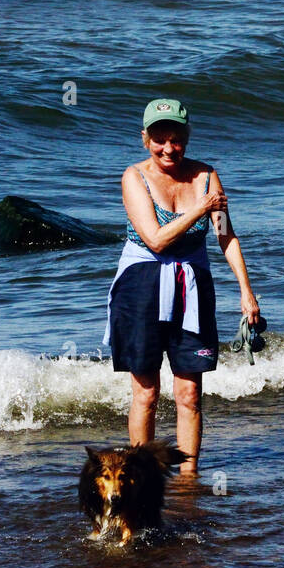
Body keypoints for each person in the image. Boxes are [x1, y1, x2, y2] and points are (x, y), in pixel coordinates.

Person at [104, 98, 261, 475]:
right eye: (159, 139)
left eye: (176, 139)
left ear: (187, 138)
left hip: (193, 285)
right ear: (145, 139)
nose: (168, 148)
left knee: (189, 393)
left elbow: (225, 235)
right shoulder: (134, 177)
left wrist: (246, 290)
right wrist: (199, 209)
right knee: (147, 394)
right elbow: (156, 240)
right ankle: (143, 477)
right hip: (141, 284)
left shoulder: (206, 177)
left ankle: (188, 479)